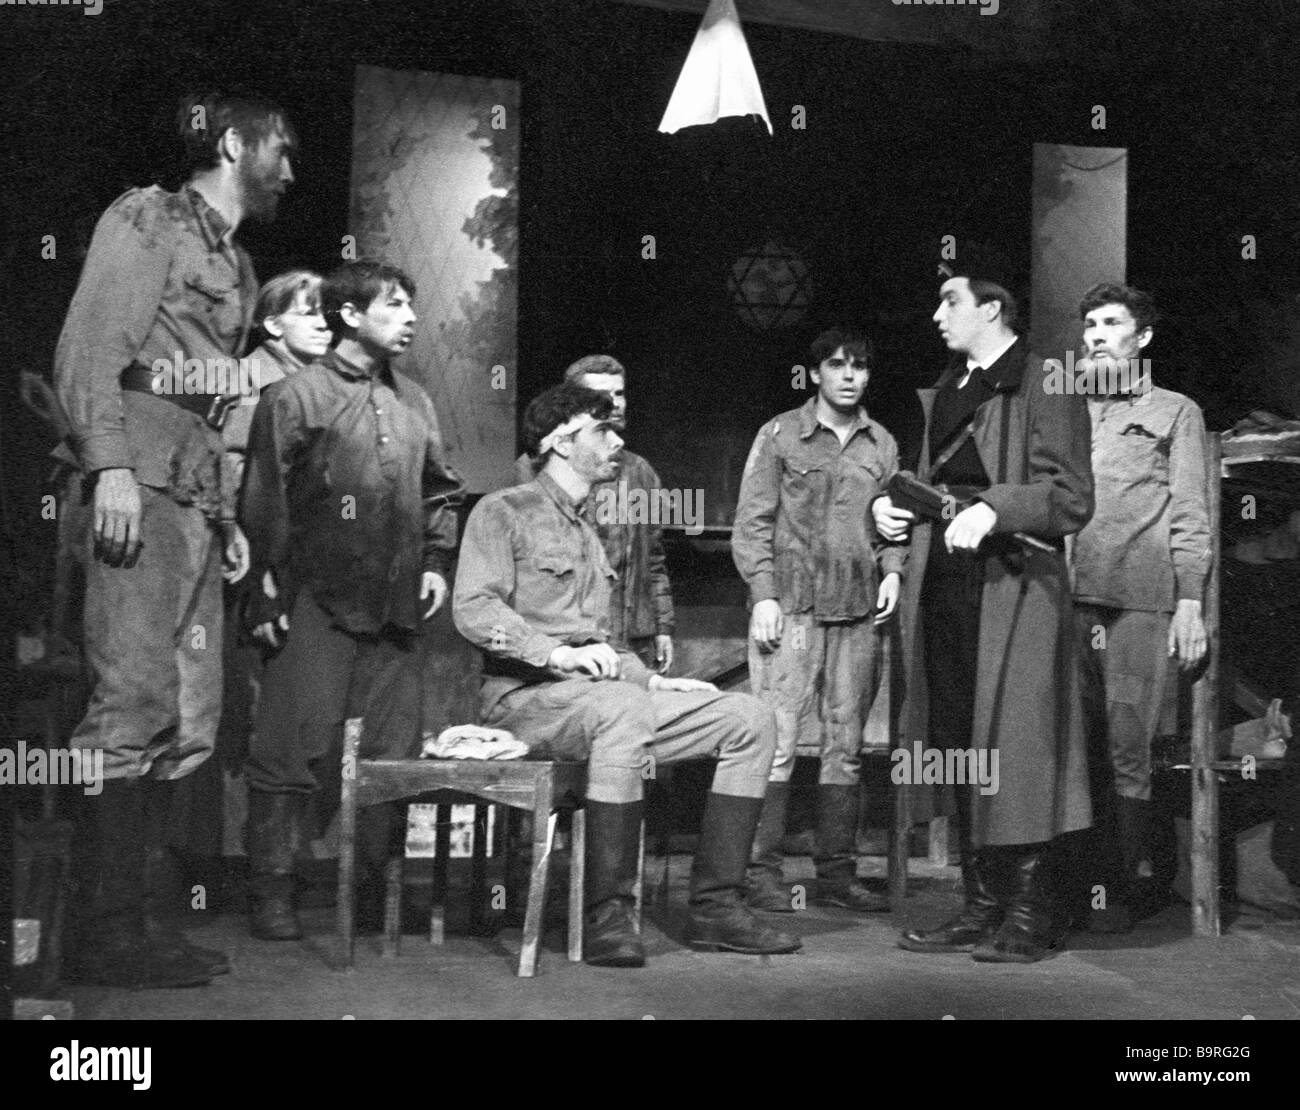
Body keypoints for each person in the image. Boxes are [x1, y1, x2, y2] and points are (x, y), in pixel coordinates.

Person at [53, 90, 293, 988]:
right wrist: (109, 465)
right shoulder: (148, 218)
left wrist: (228, 515)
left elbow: (218, 402)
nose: (291, 172)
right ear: (233, 144)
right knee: (129, 707)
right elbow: (86, 351)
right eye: (282, 152)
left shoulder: (233, 256)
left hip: (191, 495)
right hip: (138, 485)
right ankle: (102, 934)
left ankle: (137, 923)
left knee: (187, 720)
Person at [454, 382, 801, 967]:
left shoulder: (588, 531)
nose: (618, 442)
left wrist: (656, 683)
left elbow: (604, 643)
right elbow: (474, 610)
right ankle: (607, 916)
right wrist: (553, 655)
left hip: (605, 702)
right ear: (562, 441)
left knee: (749, 717)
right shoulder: (503, 511)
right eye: (603, 430)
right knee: (619, 710)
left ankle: (717, 905)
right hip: (525, 703)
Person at [238, 260, 465, 940]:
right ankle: (272, 893)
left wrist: (433, 561)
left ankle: (374, 894)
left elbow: (441, 489)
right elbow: (264, 497)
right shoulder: (295, 397)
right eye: (393, 306)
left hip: (396, 605)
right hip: (316, 598)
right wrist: (269, 587)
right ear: (348, 315)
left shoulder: (416, 401)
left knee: (389, 758)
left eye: (411, 306)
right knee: (288, 748)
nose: (411, 318)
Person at [874, 264, 1094, 962]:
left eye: (951, 301)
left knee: (1017, 751)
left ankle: (1033, 913)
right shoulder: (949, 388)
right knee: (954, 739)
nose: (938, 314)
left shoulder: (1046, 377)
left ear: (993, 309)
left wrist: (998, 507)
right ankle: (981, 903)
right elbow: (931, 483)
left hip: (1015, 589)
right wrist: (886, 506)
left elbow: (1070, 495)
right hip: (945, 584)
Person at [732, 328, 905, 914]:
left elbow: (895, 525)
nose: (850, 376)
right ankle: (759, 871)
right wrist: (763, 595)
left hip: (856, 612)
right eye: (837, 365)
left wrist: (894, 571)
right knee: (775, 744)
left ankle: (837, 876)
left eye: (860, 366)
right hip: (792, 609)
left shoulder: (881, 444)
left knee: (846, 744)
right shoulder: (780, 435)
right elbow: (752, 522)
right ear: (816, 375)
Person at [1069, 282, 1210, 931]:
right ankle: (1074, 884)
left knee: (1128, 746)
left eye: (1111, 323)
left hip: (1139, 600)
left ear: (1142, 337)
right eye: (1090, 324)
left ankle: (1126, 886)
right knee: (1073, 745)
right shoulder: (1067, 412)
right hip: (1068, 599)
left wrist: (1189, 602)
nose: (1096, 334)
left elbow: (1189, 512)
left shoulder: (1175, 411)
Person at [217, 270, 331, 768]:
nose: (324, 324)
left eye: (328, 314)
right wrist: (258, 579)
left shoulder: (319, 385)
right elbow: (235, 474)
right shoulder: (250, 381)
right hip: (253, 563)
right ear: (272, 324)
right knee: (251, 701)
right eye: (308, 313)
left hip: (303, 562)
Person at [514, 355, 674, 672]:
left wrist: (663, 625)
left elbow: (653, 559)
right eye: (601, 395)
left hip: (633, 640)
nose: (614, 404)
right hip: (572, 646)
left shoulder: (640, 473)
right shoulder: (536, 469)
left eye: (619, 393)